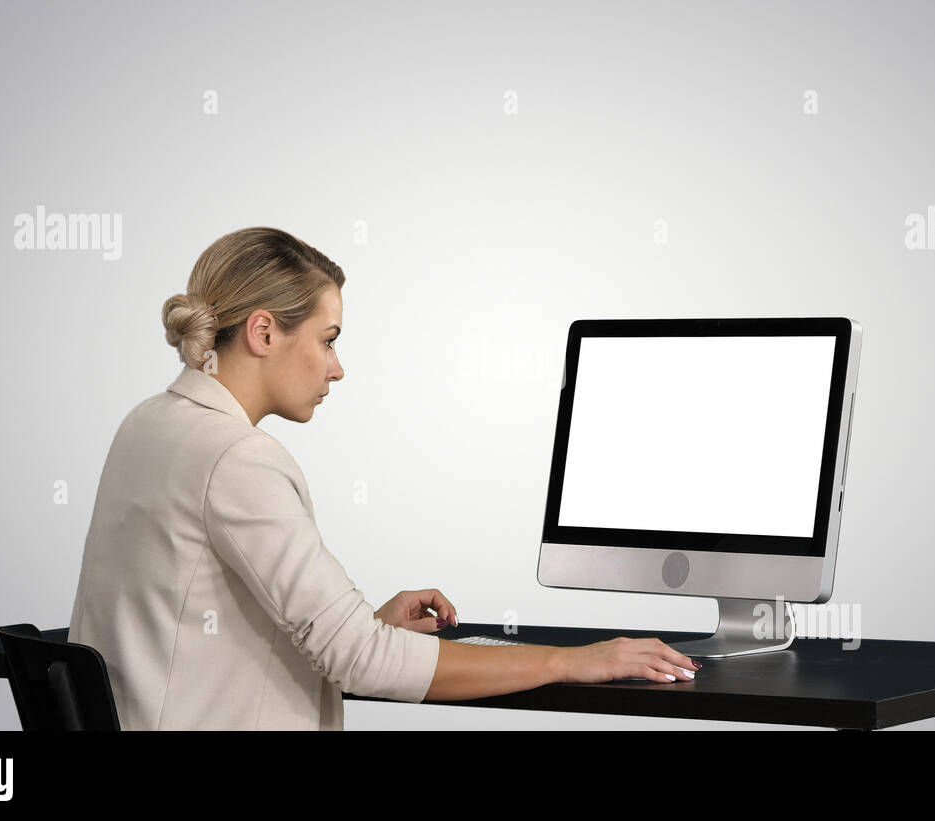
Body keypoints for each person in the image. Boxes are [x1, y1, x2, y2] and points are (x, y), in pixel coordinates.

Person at [68, 226, 699, 730]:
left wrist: (364, 626)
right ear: (263, 331)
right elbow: (360, 662)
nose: (336, 369)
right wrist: (574, 661)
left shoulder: (148, 423)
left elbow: (196, 619)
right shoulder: (238, 457)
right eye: (328, 339)